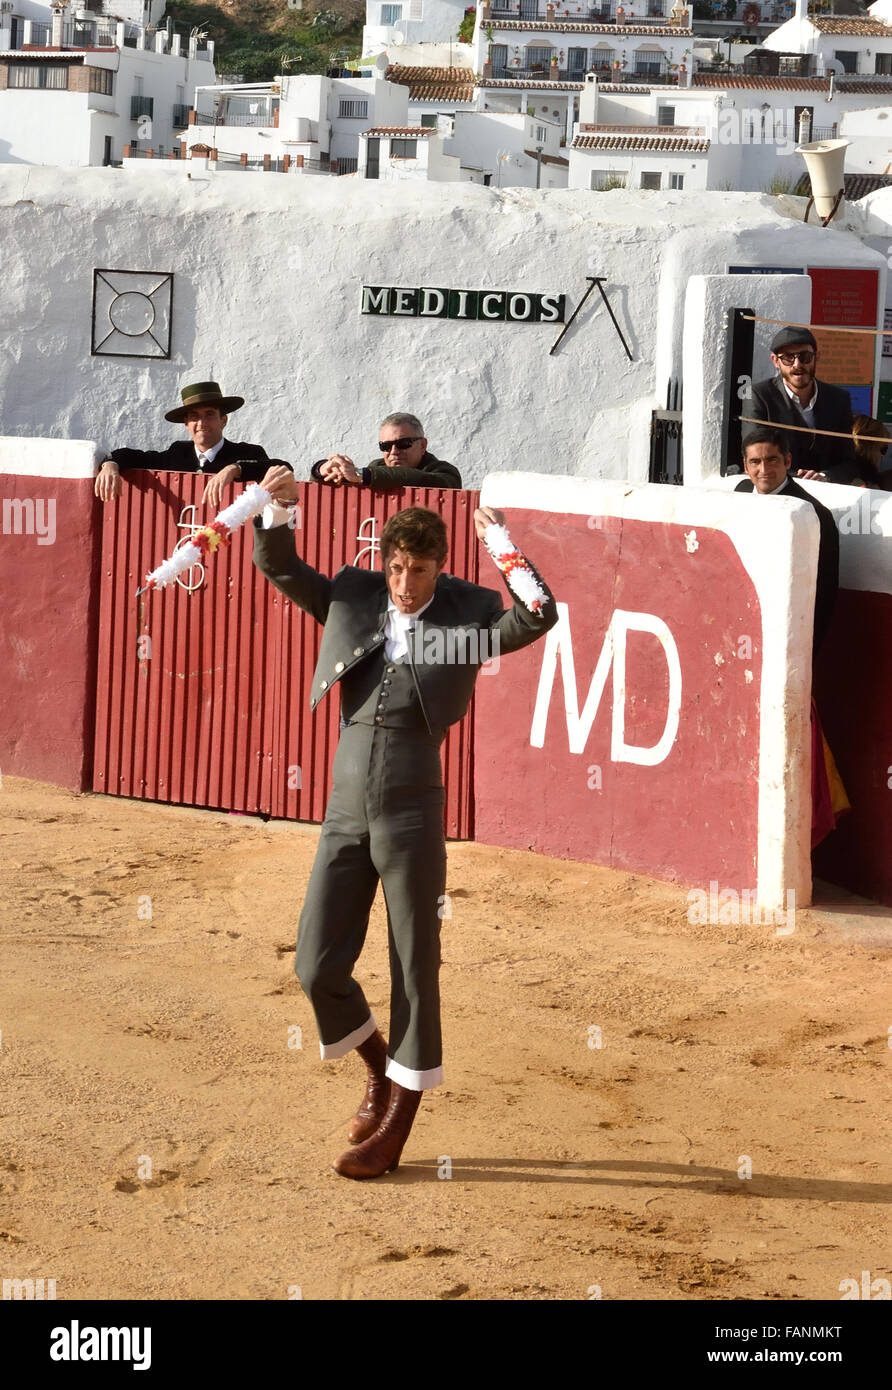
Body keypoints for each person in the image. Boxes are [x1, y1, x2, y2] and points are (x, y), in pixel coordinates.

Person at [252, 468, 557, 1179]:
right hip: (344, 808)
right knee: (315, 964)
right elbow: (279, 564)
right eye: (395, 567)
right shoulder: (355, 595)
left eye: (419, 569)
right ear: (381, 560)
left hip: (415, 812)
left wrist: (504, 544)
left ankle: (397, 1126)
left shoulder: (467, 618)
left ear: (439, 566)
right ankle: (378, 1071)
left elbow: (538, 614)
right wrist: (280, 506)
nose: (406, 582)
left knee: (414, 968)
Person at [94, 381, 282, 507]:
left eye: (209, 414)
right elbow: (133, 456)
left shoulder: (247, 452)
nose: (201, 423)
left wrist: (233, 469)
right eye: (194, 417)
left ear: (223, 420)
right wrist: (110, 464)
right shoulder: (178, 453)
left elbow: (281, 468)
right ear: (186, 424)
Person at [735, 426, 839, 653]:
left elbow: (823, 591)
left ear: (787, 460)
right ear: (745, 466)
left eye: (772, 460)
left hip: (784, 631)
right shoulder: (740, 491)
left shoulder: (815, 514)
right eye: (755, 462)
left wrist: (806, 649)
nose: (763, 470)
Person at [743, 327, 858, 484]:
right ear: (775, 361)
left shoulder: (838, 399)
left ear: (816, 357)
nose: (797, 365)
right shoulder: (759, 397)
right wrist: (803, 480)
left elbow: (849, 461)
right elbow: (755, 457)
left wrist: (825, 477)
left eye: (805, 356)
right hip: (779, 493)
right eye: (788, 358)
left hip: (827, 496)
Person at [310, 412, 462, 490]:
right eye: (386, 446)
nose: (394, 451)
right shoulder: (376, 468)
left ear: (422, 445)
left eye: (403, 443)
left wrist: (360, 474)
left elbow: (417, 479)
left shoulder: (446, 473)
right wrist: (324, 470)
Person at [852, 414, 892, 489]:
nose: (882, 456)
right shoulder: (870, 485)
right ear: (871, 449)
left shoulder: (839, 470)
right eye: (884, 449)